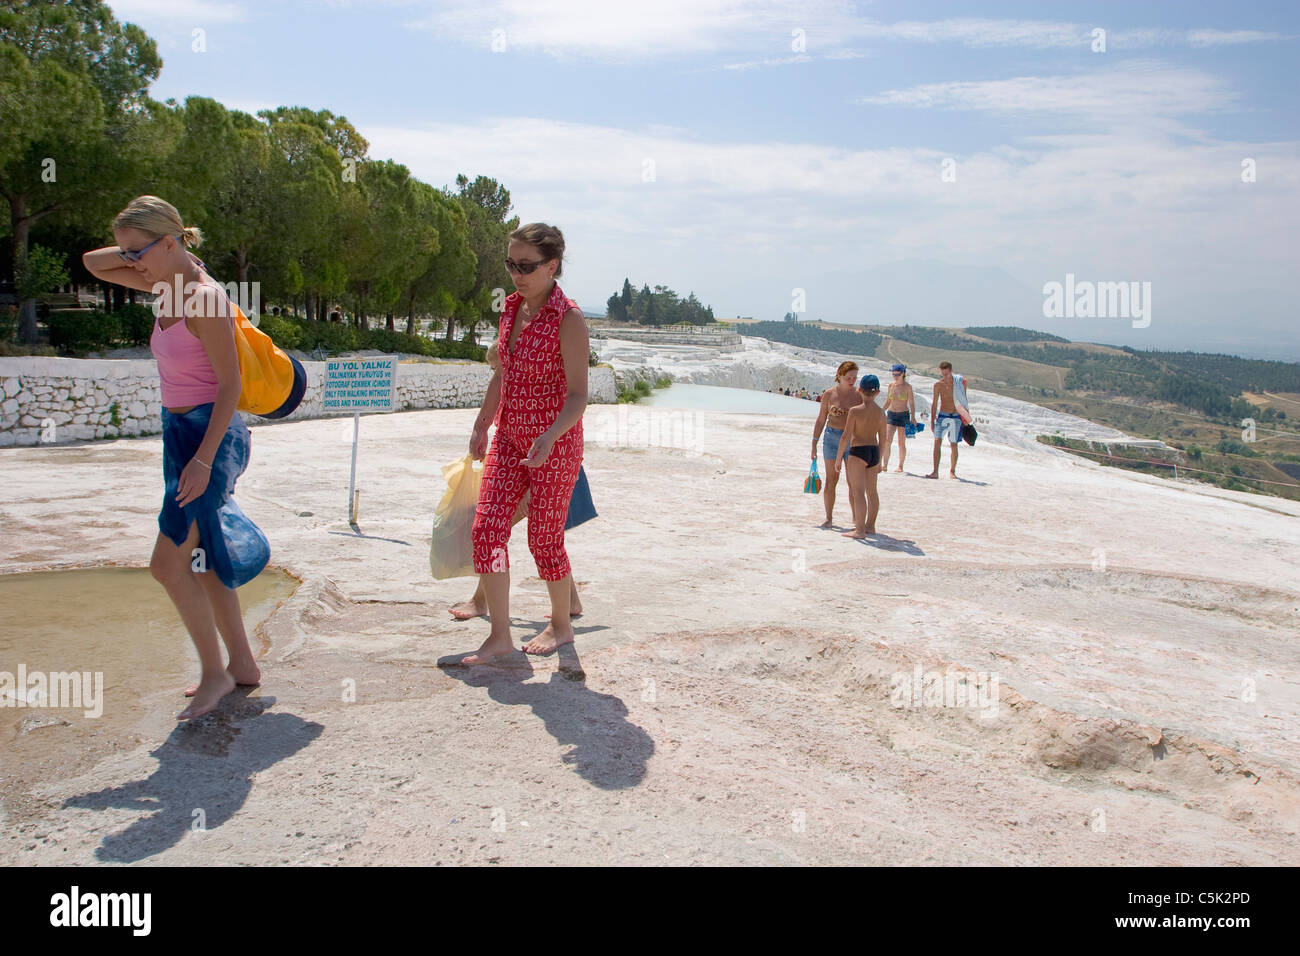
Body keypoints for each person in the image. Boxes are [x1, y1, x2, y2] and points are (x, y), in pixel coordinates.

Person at [82, 196, 269, 720]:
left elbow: (230, 386)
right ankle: (243, 665)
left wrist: (204, 459)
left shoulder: (204, 299)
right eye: (127, 252)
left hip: (211, 435)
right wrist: (140, 251)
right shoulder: (164, 285)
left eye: (138, 251)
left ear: (169, 242)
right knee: (203, 557)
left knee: (167, 565)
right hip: (178, 434)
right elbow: (92, 264)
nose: (130, 262)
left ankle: (214, 675)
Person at [454, 223, 588, 665]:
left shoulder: (568, 319)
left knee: (544, 540)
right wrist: (482, 423)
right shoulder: (511, 308)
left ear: (552, 266)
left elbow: (578, 395)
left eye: (527, 266)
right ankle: (499, 636)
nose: (517, 274)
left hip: (555, 445)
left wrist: (550, 436)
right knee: (487, 530)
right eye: (511, 264)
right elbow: (503, 373)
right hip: (510, 441)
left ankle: (562, 625)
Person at [449, 340, 590, 621]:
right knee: (532, 538)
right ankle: (571, 601)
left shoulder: (535, 377)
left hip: (545, 462)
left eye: (496, 369)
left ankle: (481, 600)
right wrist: (482, 428)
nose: (496, 376)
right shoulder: (511, 387)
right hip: (536, 460)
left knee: (506, 534)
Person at [811, 361, 862, 528]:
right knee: (831, 480)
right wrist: (814, 444)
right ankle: (828, 517)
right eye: (848, 377)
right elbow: (820, 420)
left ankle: (856, 518)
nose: (852, 381)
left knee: (852, 481)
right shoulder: (829, 394)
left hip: (851, 439)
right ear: (839, 375)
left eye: (854, 378)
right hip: (831, 437)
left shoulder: (859, 395)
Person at [835, 374, 887, 538]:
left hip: (858, 451)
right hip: (873, 451)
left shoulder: (855, 411)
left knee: (858, 492)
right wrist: (880, 460)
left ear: (860, 390)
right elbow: (883, 439)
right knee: (872, 492)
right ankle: (870, 525)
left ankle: (859, 530)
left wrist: (838, 458)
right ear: (877, 392)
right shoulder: (881, 413)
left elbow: (846, 436)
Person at [925, 360, 971, 479]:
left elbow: (964, 399)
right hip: (943, 415)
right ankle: (935, 471)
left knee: (953, 444)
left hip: (956, 416)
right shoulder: (938, 385)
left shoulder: (959, 383)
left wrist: (966, 417)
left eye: (946, 374)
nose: (944, 376)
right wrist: (932, 422)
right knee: (937, 442)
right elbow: (934, 403)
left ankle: (952, 471)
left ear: (951, 371)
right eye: (943, 374)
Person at [880, 363, 916, 473]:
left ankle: (900, 465)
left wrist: (913, 417)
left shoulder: (907, 387)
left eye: (897, 374)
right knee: (887, 440)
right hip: (891, 414)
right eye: (893, 374)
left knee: (901, 442)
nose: (895, 376)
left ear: (903, 374)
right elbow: (888, 401)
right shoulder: (891, 385)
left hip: (903, 415)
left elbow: (911, 403)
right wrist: (881, 412)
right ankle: (884, 465)